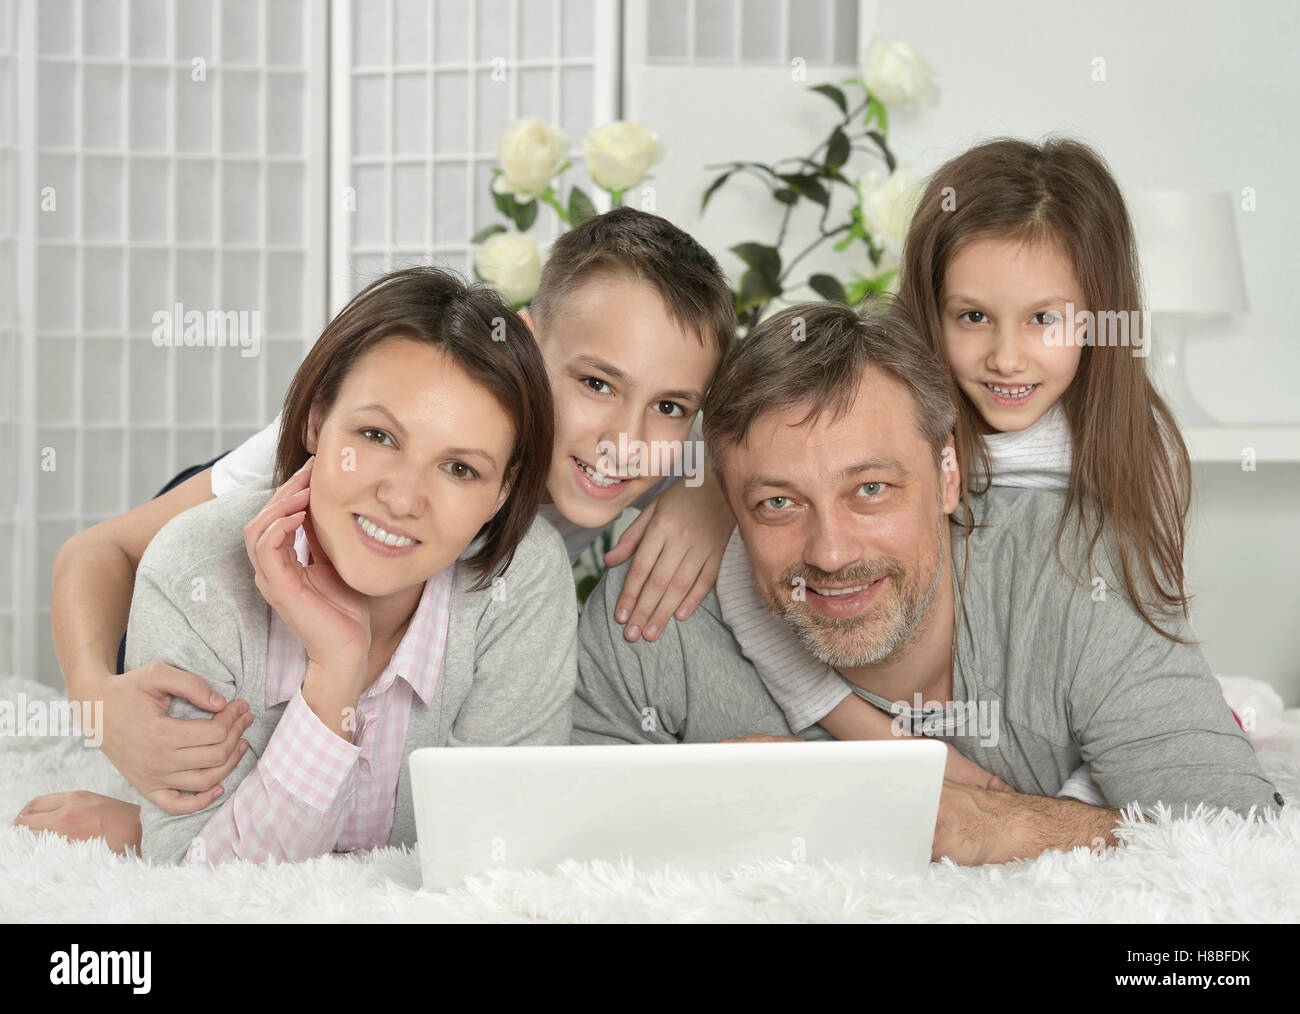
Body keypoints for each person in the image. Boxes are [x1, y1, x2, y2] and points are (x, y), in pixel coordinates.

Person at [46, 208, 739, 826]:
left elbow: (795, 404)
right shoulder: (352, 449)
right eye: (595, 383)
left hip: (409, 600)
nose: (626, 437)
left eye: (672, 408)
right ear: (524, 342)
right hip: (251, 566)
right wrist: (96, 701)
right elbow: (100, 551)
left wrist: (710, 492)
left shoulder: (662, 457)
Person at [573, 299, 1283, 866]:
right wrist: (809, 795)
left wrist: (1009, 825)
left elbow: (1245, 845)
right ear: (729, 507)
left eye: (872, 489)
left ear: (948, 476)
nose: (830, 551)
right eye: (778, 503)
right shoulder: (654, 611)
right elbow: (543, 861)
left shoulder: (1078, 574)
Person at [22, 266, 573, 864]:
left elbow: (495, 848)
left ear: (502, 491)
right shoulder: (193, 570)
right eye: (377, 435)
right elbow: (210, 879)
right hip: (225, 551)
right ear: (314, 419)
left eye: (460, 468)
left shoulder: (523, 581)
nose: (405, 497)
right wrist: (335, 670)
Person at [714, 138, 1204, 805]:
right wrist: (874, 736)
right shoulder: (904, 410)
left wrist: (1074, 808)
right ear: (930, 309)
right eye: (973, 317)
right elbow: (750, 560)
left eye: (1044, 320)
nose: (1006, 357)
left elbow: (1138, 636)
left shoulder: (1141, 449)